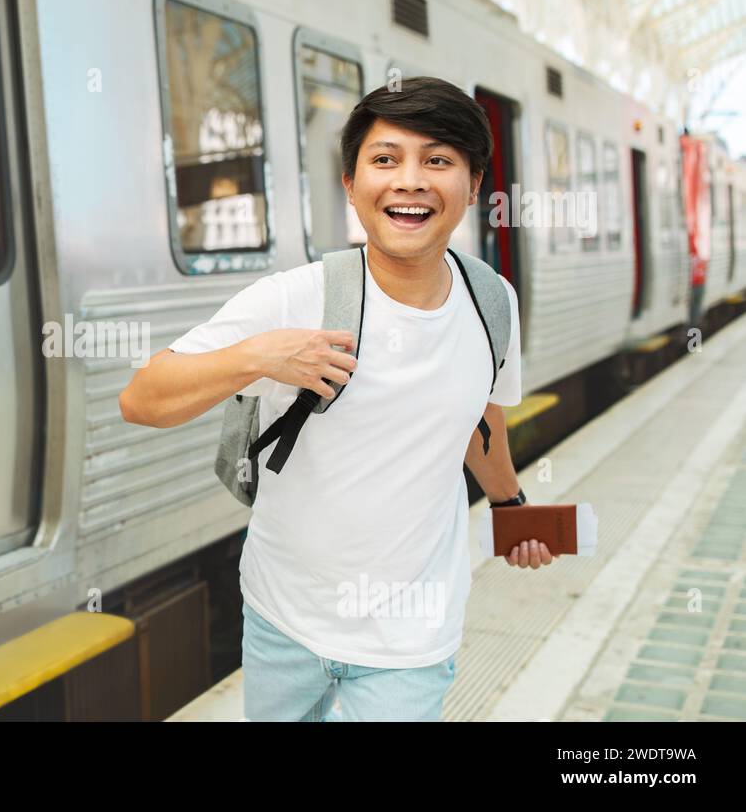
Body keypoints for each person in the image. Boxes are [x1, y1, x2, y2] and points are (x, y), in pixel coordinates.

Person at [119, 77, 552, 722]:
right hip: (283, 617)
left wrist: (512, 503)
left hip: (411, 633)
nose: (409, 180)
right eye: (385, 160)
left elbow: (480, 419)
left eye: (437, 160)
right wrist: (259, 358)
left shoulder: (493, 303)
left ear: (472, 183)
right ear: (351, 186)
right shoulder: (294, 297)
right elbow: (142, 398)